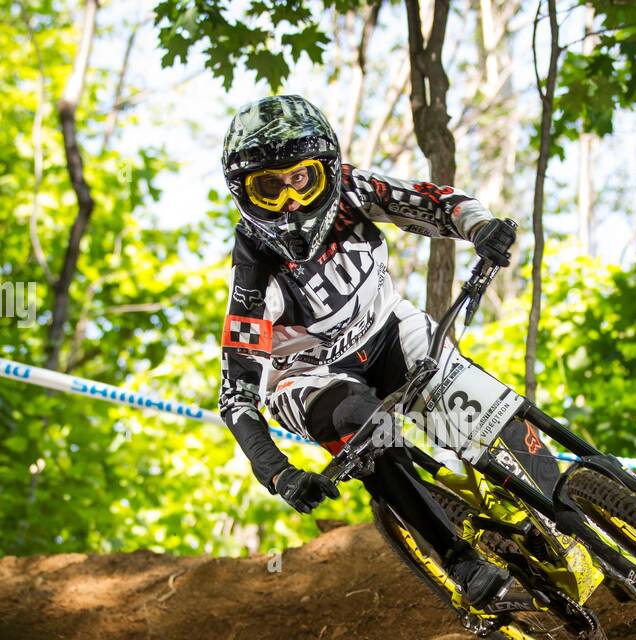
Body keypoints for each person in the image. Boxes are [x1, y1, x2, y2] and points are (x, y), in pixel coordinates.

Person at [218, 93, 520, 607]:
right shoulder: (252, 280)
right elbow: (237, 397)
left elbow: (434, 201)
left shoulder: (353, 190)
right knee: (366, 425)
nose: (290, 203)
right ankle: (459, 561)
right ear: (245, 196)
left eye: (302, 179)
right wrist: (278, 472)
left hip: (385, 330)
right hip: (309, 375)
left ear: (328, 171)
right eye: (269, 188)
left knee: (486, 406)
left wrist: (482, 227)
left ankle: (564, 502)